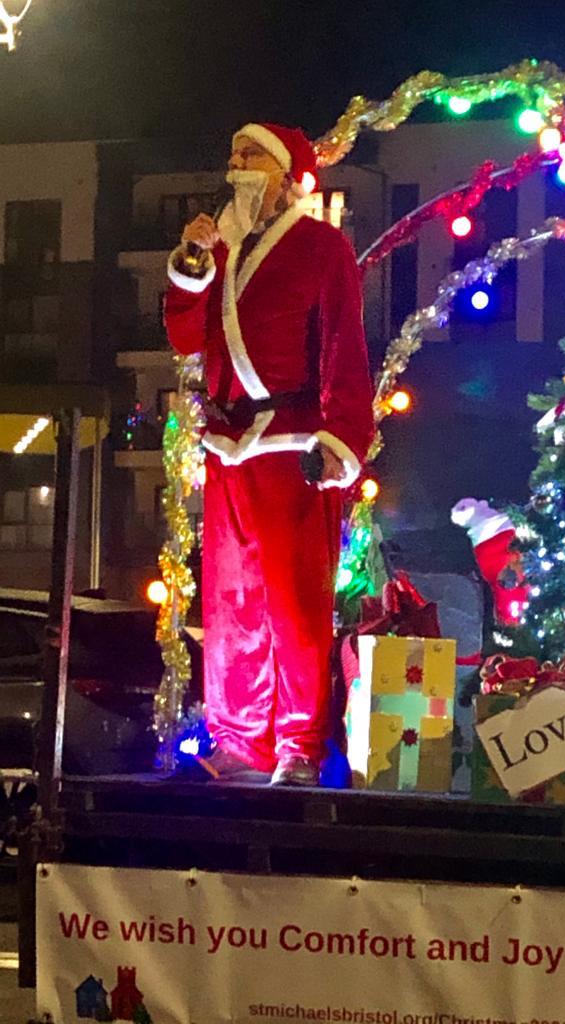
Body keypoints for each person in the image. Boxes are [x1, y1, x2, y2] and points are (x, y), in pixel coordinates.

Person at [164, 123, 375, 786]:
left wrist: (340, 438)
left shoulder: (321, 246)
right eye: (231, 156)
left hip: (294, 444)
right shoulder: (220, 251)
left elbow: (345, 344)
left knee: (294, 603)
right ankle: (238, 738)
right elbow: (185, 339)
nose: (235, 167)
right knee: (231, 606)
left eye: (249, 155)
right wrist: (191, 266)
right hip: (230, 448)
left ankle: (299, 744)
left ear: (285, 173)